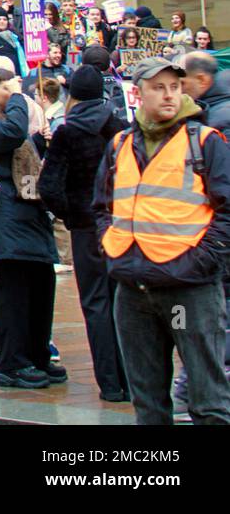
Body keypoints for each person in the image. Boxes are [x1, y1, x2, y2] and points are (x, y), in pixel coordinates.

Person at [91, 57, 230, 423]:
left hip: (188, 288)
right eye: (158, 88)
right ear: (138, 93)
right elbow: (103, 205)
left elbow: (227, 210)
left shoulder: (204, 141)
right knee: (149, 405)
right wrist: (111, 246)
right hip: (133, 287)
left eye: (174, 87)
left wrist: (201, 259)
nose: (169, 95)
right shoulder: (120, 144)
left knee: (208, 401)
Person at [0, 68, 62, 389]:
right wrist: (20, 99)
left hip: (29, 214)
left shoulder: (3, 121)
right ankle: (12, 363)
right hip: (4, 216)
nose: (15, 92)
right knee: (15, 291)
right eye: (8, 87)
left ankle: (36, 354)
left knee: (42, 285)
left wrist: (40, 144)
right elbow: (11, 134)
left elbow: (17, 148)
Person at [37, 65, 129, 401]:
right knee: (123, 300)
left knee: (95, 303)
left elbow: (49, 187)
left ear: (72, 94)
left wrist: (71, 215)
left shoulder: (67, 132)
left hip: (87, 228)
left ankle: (109, 383)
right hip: (120, 225)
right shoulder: (119, 127)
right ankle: (130, 379)